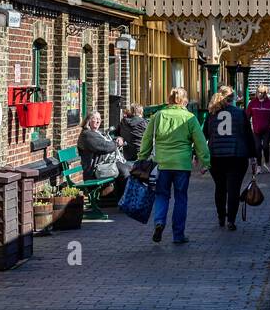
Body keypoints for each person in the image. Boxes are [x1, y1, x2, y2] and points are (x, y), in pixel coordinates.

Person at [138, 87, 210, 245]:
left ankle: (159, 222)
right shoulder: (190, 118)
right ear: (184, 100)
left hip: (162, 164)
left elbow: (147, 139)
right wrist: (206, 161)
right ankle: (178, 234)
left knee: (161, 196)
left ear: (169, 99)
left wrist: (142, 158)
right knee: (181, 199)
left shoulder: (157, 116)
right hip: (182, 165)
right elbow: (200, 142)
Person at [203, 86, 257, 231]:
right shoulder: (240, 113)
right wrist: (254, 157)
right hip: (237, 156)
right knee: (234, 189)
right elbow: (248, 136)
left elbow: (205, 135)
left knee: (220, 188)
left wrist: (201, 157)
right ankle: (231, 220)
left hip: (216, 157)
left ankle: (221, 216)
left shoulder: (212, 114)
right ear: (232, 99)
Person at [77, 111, 130, 181]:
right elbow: (104, 146)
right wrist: (116, 144)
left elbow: (107, 140)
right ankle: (122, 192)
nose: (98, 121)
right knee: (125, 171)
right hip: (95, 170)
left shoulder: (97, 132)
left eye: (99, 119)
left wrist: (118, 139)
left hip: (104, 165)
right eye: (95, 119)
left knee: (131, 167)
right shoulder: (87, 135)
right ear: (88, 120)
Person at [247, 83, 270, 173]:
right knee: (257, 147)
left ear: (265, 93)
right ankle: (259, 166)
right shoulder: (252, 103)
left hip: (267, 130)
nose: (259, 94)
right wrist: (246, 127)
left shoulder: (269, 103)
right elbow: (247, 116)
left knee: (266, 147)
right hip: (256, 130)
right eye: (258, 92)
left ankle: (267, 163)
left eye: (262, 93)